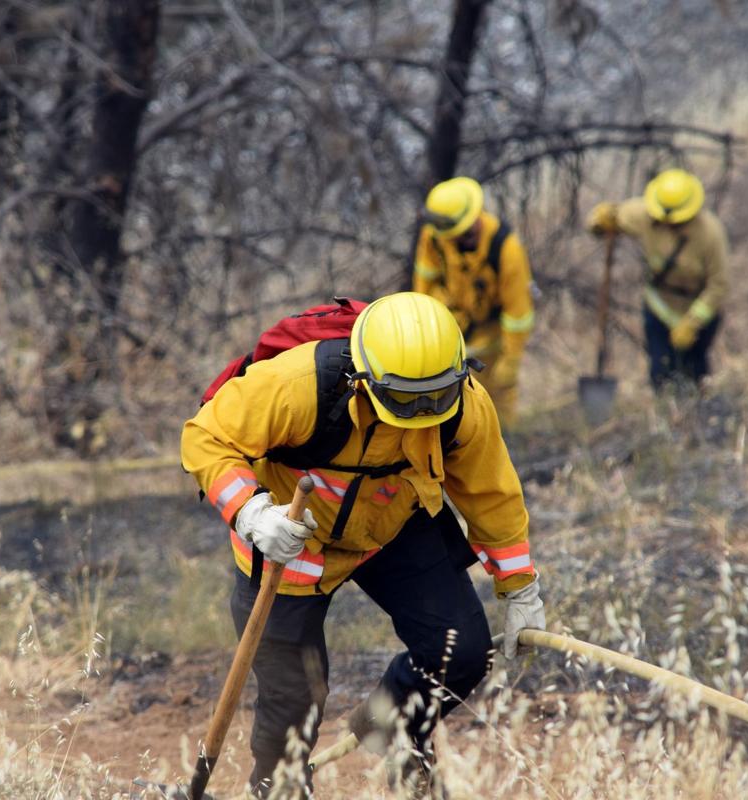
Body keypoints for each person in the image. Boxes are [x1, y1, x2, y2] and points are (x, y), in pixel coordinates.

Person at [181, 292, 544, 798]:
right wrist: (251, 512)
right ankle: (280, 788)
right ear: (363, 379)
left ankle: (395, 727)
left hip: (389, 526)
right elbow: (206, 437)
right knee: (293, 700)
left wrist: (519, 587)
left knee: (461, 651)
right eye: (404, 399)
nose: (422, 412)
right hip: (291, 537)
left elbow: (492, 494)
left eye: (436, 398)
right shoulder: (298, 384)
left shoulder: (465, 405)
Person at [587, 168, 729, 391]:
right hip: (659, 304)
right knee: (661, 370)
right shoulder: (645, 214)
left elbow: (719, 285)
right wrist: (600, 220)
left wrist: (692, 323)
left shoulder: (710, 232)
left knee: (695, 371)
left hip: (698, 306)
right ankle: (664, 411)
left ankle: (697, 413)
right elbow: (610, 218)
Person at [412, 177, 536, 424]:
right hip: (449, 329)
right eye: (457, 235)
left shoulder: (506, 249)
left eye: (467, 232)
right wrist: (421, 330)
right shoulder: (435, 237)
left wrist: (511, 360)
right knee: (448, 404)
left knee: (494, 401)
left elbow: (518, 314)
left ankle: (505, 444)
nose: (463, 239)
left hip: (490, 338)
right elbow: (423, 284)